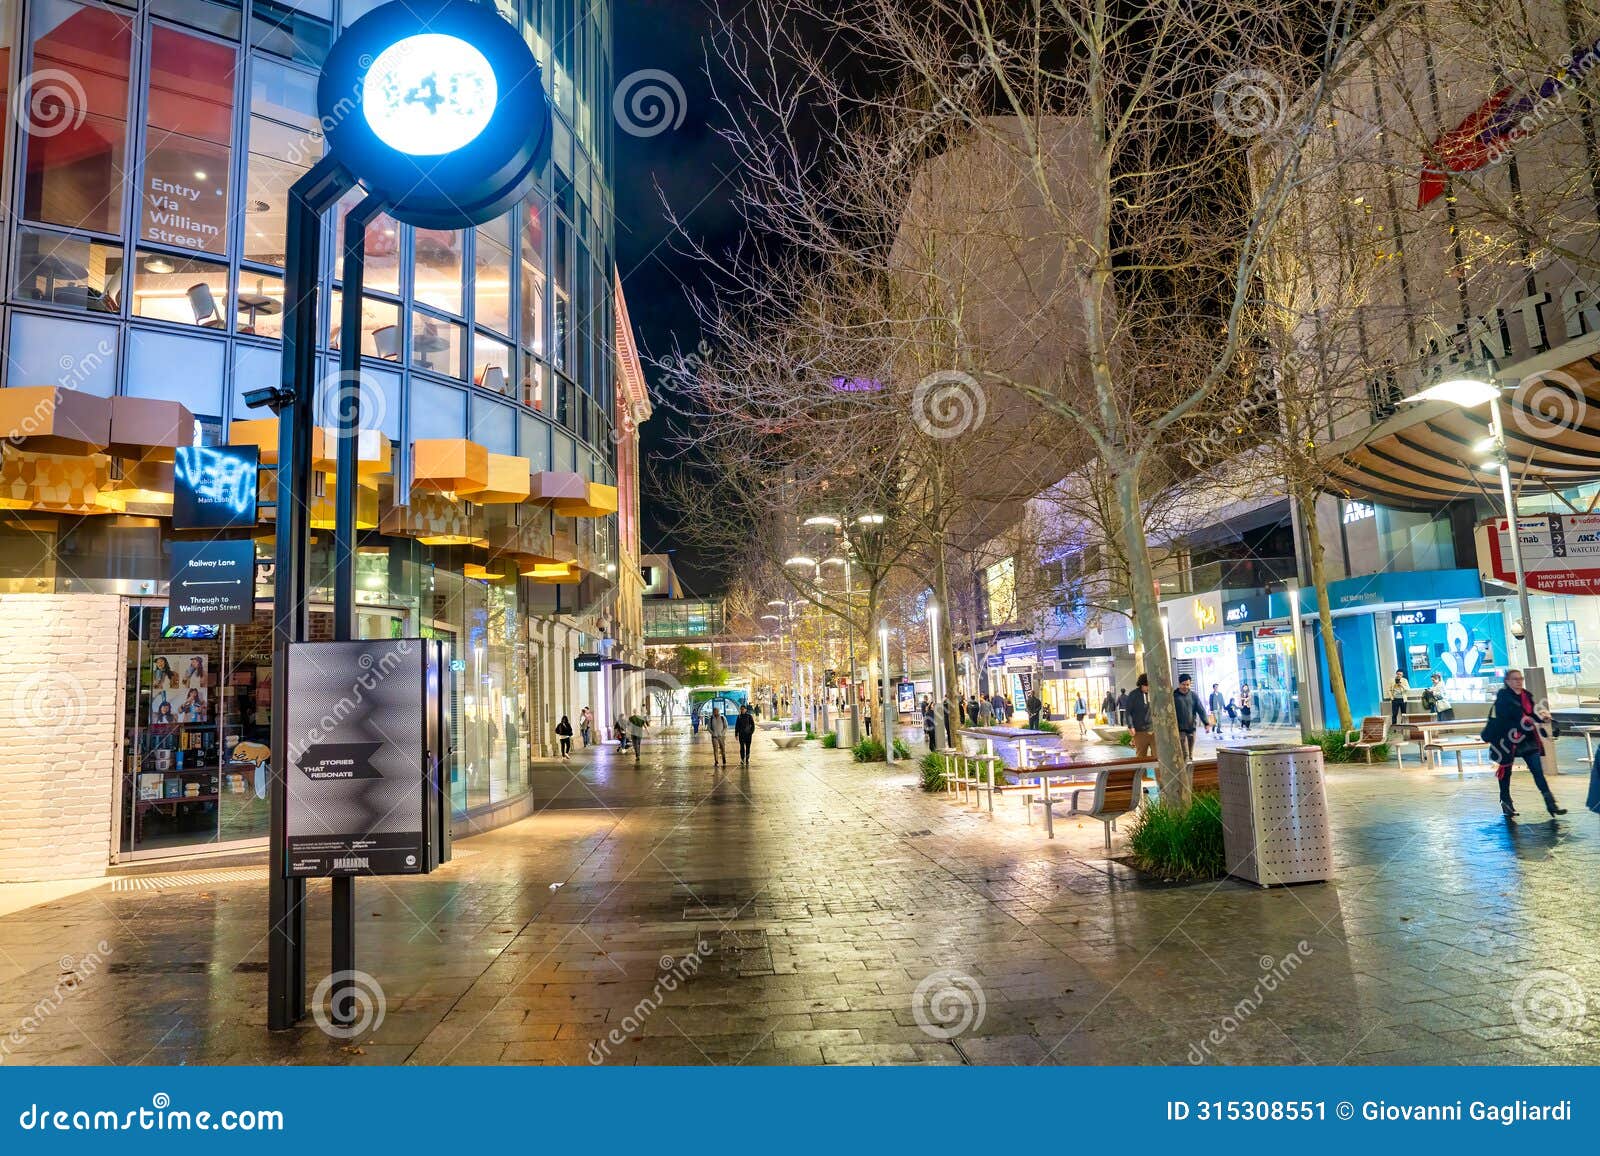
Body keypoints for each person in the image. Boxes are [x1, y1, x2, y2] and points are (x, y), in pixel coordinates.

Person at [1484, 669, 1564, 818]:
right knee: (1506, 773)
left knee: (1537, 771)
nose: (1519, 681)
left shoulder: (1526, 695)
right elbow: (1506, 719)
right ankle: (1506, 802)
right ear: (1507, 682)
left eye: (1520, 678)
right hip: (1508, 740)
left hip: (1527, 738)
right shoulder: (1503, 697)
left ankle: (1551, 804)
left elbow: (1532, 714)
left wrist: (1543, 718)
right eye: (1515, 679)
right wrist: (1524, 720)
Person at [1173, 673, 1210, 762]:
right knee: (1185, 753)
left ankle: (1189, 765)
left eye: (1187, 685)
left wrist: (1206, 723)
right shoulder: (1174, 696)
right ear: (1179, 684)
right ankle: (1185, 768)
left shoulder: (1193, 696)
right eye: (1183, 684)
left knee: (1190, 753)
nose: (1185, 687)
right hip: (1180, 728)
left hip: (1191, 727)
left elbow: (1200, 709)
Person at [1127, 674, 1154, 759]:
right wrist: (1131, 726)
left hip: (1154, 731)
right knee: (1141, 757)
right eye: (1146, 685)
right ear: (1141, 684)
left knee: (1157, 757)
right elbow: (1128, 712)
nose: (1148, 688)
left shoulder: (1154, 693)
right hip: (1139, 731)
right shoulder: (1133, 695)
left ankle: (1157, 773)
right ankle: (1143, 773)